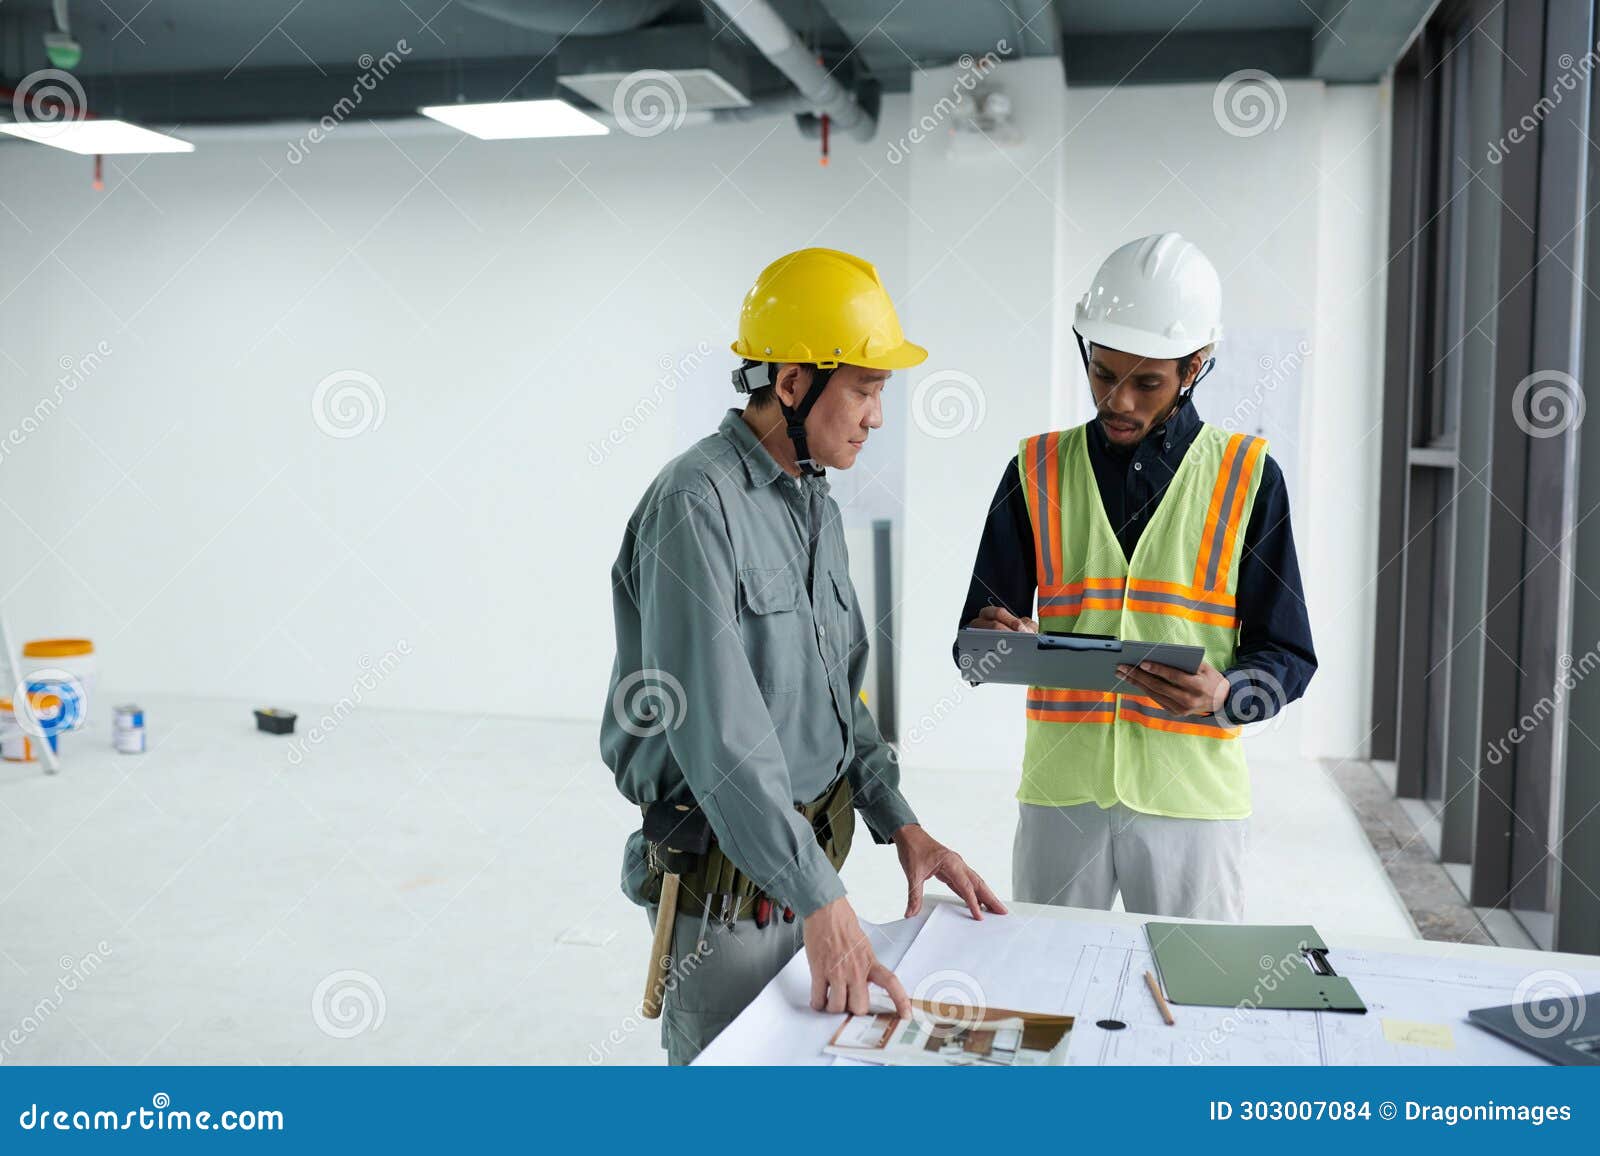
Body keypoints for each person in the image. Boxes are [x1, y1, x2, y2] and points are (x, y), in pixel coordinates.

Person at [604, 247, 1005, 1065]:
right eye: (864, 388)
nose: (876, 416)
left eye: (879, 391)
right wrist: (825, 903)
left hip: (809, 882)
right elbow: (718, 740)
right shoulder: (695, 503)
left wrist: (902, 824)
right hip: (726, 906)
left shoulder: (813, 501)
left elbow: (838, 696)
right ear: (791, 385)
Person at [958, 232, 1316, 922]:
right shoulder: (1035, 471)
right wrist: (997, 642)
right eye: (1103, 373)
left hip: (1192, 807)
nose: (1117, 400)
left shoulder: (1248, 478)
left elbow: (1290, 655)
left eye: (1146, 381)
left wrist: (1228, 693)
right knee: (1048, 1001)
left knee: (1193, 998)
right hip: (1062, 797)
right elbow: (972, 648)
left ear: (1196, 366)